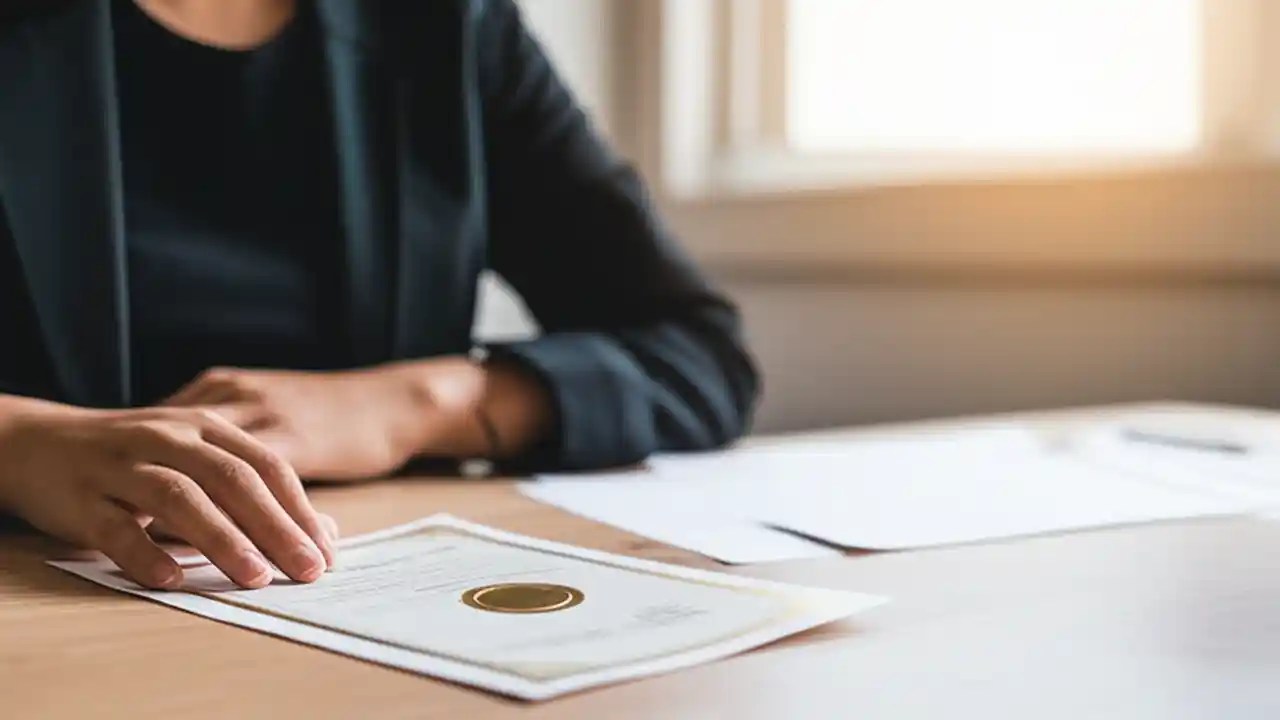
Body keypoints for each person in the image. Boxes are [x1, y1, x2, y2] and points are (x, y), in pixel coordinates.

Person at [0, 0, 758, 590]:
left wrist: (422, 404)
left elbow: (698, 358)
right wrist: (15, 443)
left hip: (344, 593)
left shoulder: (445, 24)